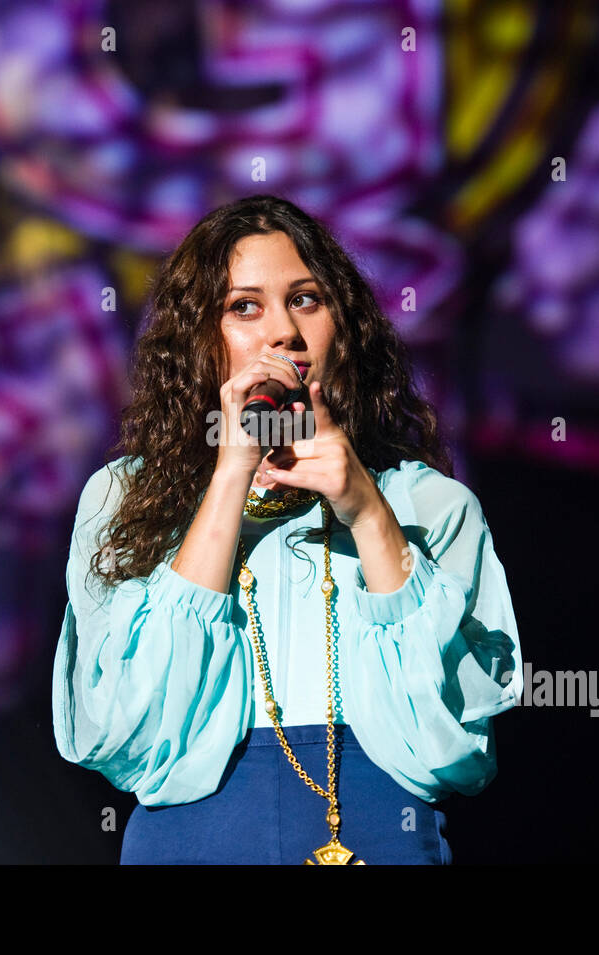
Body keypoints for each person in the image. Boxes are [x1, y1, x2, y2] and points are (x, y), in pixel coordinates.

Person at [51, 194, 523, 864]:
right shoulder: (124, 497)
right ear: (200, 336)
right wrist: (230, 473)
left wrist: (363, 507)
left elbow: (451, 751)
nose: (283, 332)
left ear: (346, 326)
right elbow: (133, 740)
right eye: (245, 306)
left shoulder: (432, 506)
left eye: (306, 299)